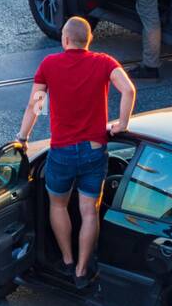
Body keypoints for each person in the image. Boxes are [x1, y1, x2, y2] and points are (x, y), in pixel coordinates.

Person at [17, 17, 136, 287]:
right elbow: (128, 89)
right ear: (88, 40)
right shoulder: (104, 62)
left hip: (61, 153)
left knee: (58, 205)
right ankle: (83, 270)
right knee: (89, 211)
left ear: (66, 40)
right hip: (95, 151)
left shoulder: (49, 65)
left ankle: (68, 261)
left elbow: (34, 106)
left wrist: (23, 138)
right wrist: (123, 123)